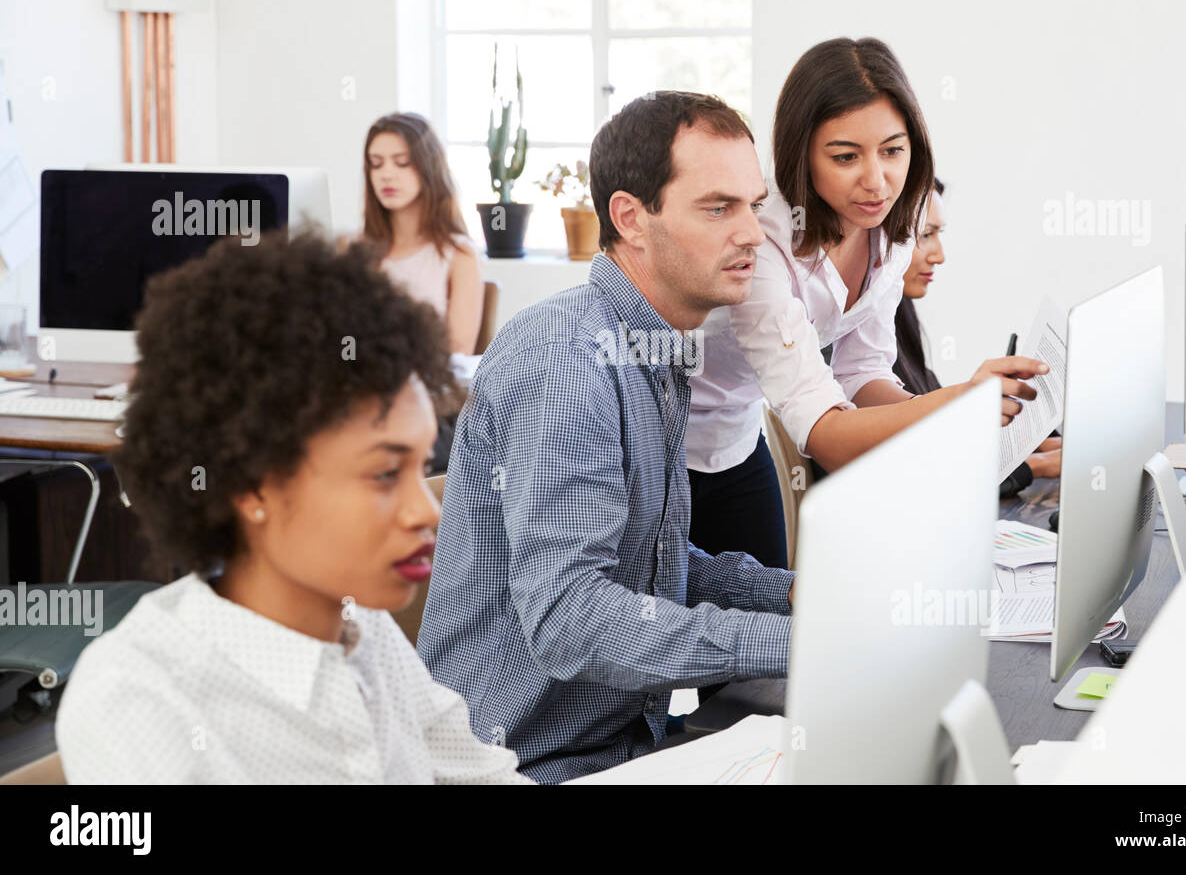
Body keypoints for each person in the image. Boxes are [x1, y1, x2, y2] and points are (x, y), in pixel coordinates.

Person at [417, 91, 795, 784]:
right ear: (630, 218)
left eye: (754, 204)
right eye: (719, 208)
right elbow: (571, 619)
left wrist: (793, 597)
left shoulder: (653, 349)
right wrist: (799, 640)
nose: (753, 233)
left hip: (615, 747)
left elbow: (647, 562)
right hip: (527, 766)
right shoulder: (570, 364)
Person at [56, 231, 528, 784]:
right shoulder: (139, 702)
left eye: (421, 468)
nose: (428, 513)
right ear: (253, 488)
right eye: (384, 474)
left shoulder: (363, 628)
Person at [686, 37, 1048, 569]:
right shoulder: (764, 243)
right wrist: (955, 406)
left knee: (771, 608)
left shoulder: (891, 230)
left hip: (736, 438)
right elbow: (825, 435)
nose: (877, 181)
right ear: (802, 153)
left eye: (893, 151)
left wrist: (957, 416)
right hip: (669, 446)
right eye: (845, 157)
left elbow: (862, 374)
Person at [893, 179, 1062, 495]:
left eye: (938, 234)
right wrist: (1036, 465)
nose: (940, 255)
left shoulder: (899, 310)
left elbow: (932, 428)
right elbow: (913, 471)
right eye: (926, 235)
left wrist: (1024, 442)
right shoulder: (850, 344)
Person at [360, 111, 484, 355]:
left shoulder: (460, 255)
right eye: (376, 163)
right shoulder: (355, 249)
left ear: (428, 167)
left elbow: (457, 354)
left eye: (402, 162)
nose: (386, 174)